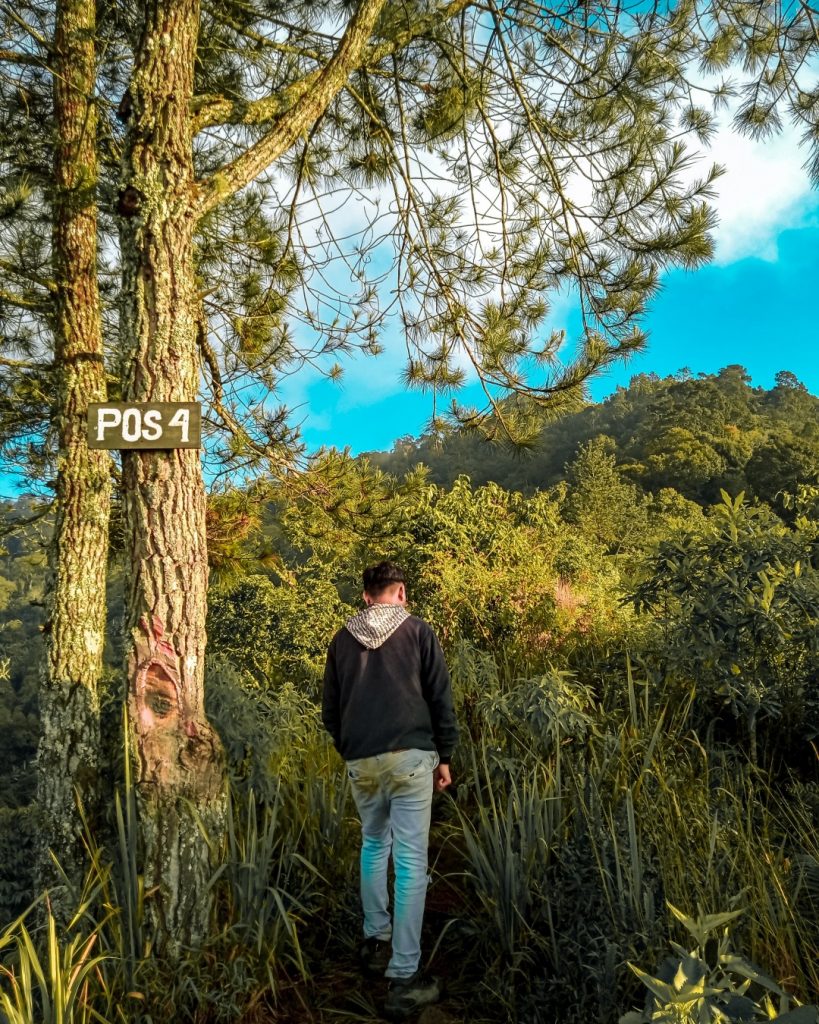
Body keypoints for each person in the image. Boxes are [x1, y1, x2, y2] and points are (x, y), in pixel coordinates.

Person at [322, 561, 458, 1019]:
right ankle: (403, 977)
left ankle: (375, 942)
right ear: (400, 592)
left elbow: (330, 710)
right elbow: (439, 695)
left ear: (365, 595)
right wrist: (445, 755)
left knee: (374, 844)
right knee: (411, 861)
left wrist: (352, 749)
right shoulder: (418, 631)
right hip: (412, 756)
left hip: (362, 759)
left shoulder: (342, 639)